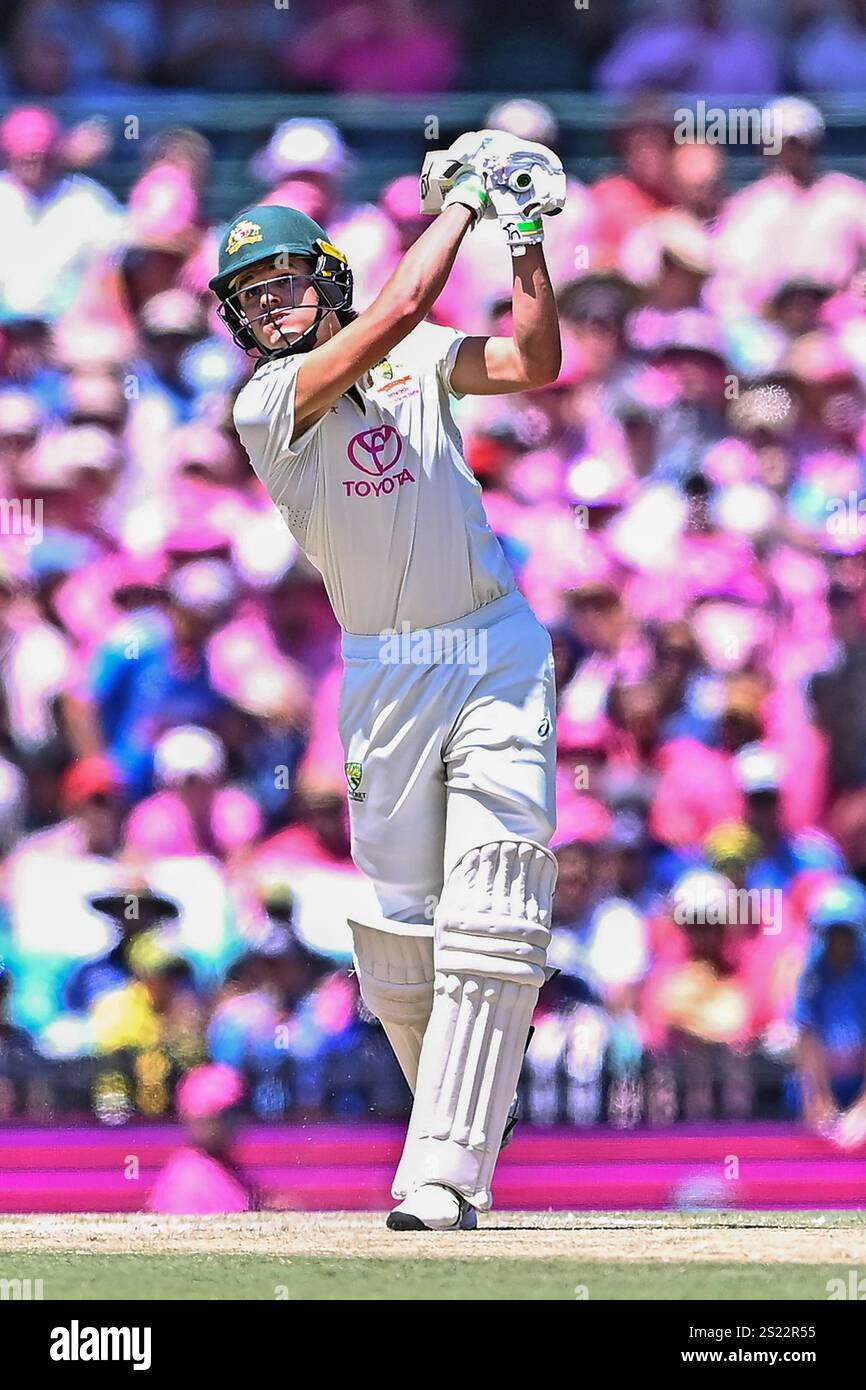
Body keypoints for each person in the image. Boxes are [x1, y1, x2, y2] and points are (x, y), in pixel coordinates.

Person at [209, 131, 564, 1230]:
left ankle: (441, 1171)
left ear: (324, 280)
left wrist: (521, 233)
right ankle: (470, 1105)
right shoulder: (268, 405)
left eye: (286, 283)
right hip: (385, 672)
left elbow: (531, 364)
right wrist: (461, 196)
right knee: (402, 936)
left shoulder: (413, 362)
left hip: (492, 645)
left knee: (492, 904)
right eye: (251, 297)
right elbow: (402, 310)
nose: (272, 307)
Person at [146, 1063, 260, 1214]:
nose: (234, 1122)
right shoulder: (188, 1180)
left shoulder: (225, 1169)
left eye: (235, 1113)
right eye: (223, 1115)